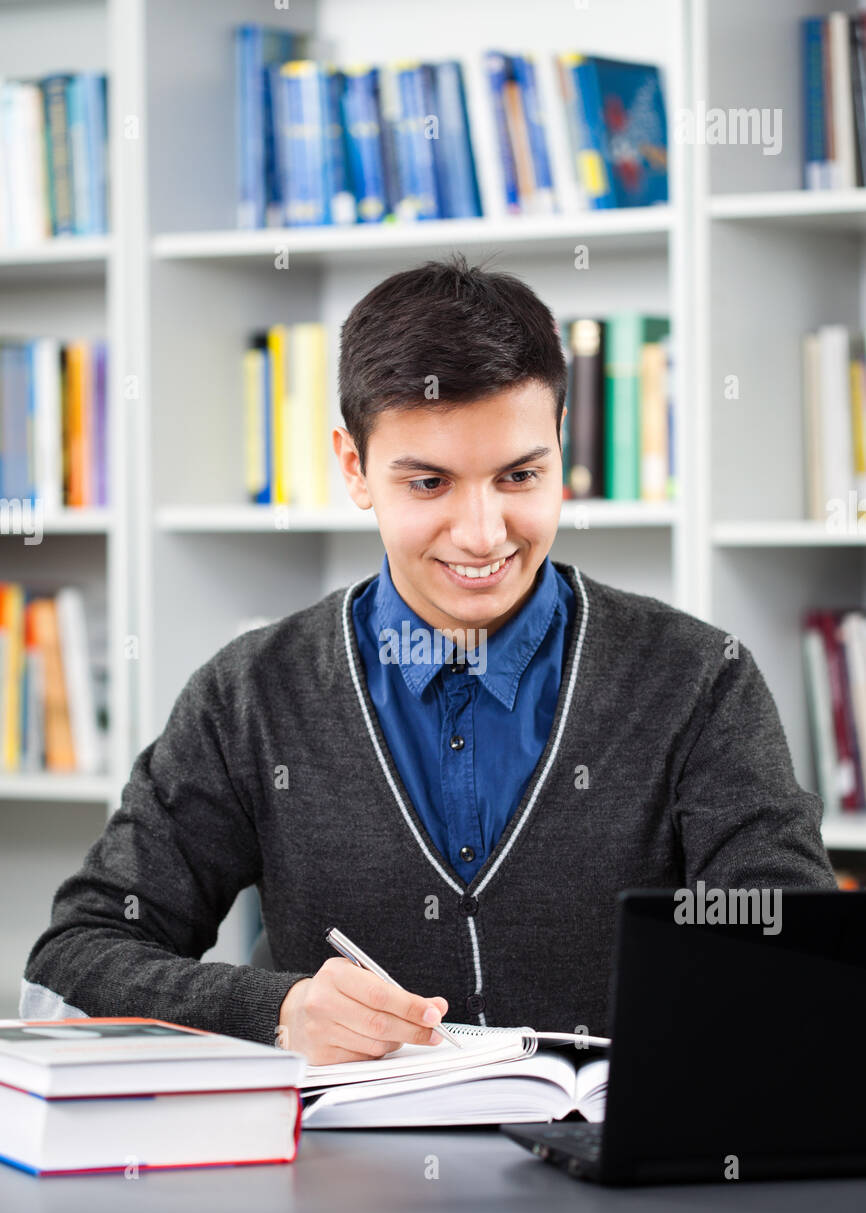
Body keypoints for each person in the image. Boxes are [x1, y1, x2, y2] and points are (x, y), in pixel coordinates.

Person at [20, 254, 838, 1064]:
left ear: (560, 448)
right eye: (429, 484)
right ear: (355, 468)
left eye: (520, 475)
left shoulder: (698, 679)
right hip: (341, 1189)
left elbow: (795, 949)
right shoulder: (251, 695)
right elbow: (79, 952)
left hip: (623, 1180)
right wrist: (278, 1009)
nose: (483, 534)